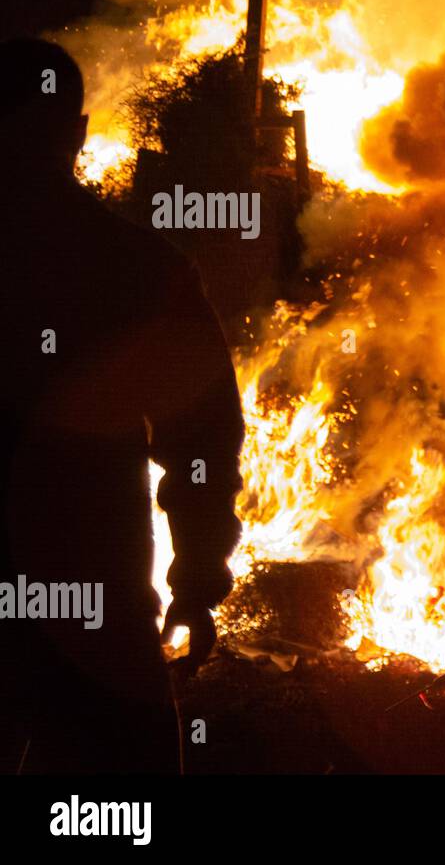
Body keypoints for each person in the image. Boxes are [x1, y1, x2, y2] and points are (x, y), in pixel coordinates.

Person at [0, 38, 245, 773]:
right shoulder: (138, 268)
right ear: (77, 134)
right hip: (96, 604)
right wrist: (197, 579)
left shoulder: (141, 271)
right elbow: (202, 439)